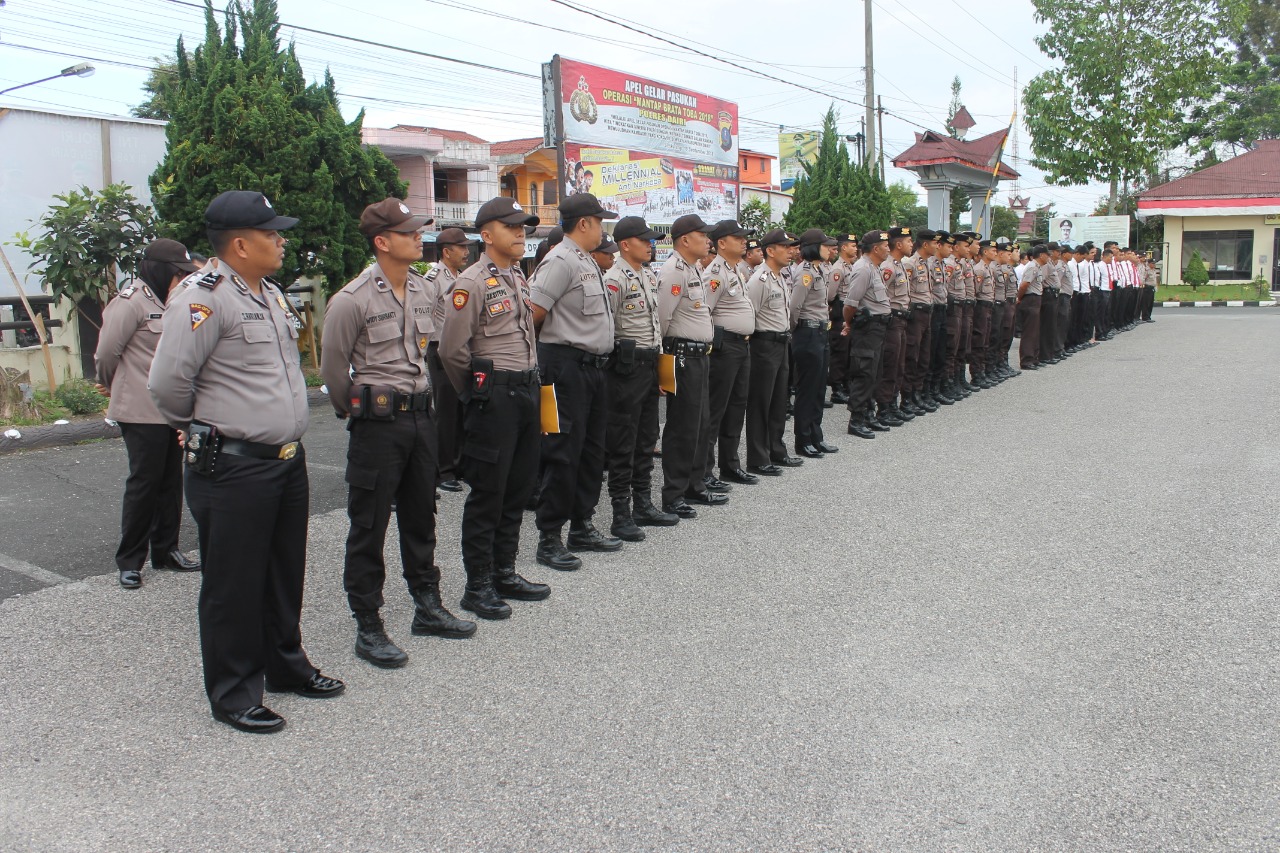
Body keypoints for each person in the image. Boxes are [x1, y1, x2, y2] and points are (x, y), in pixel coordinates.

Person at [149, 190, 343, 734]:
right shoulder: (203, 297)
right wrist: (207, 427)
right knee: (234, 583)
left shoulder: (270, 294)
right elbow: (167, 385)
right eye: (270, 233)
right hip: (232, 464)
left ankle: (285, 665)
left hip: (284, 460)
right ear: (240, 244)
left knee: (284, 571)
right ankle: (235, 691)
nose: (281, 240)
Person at [321, 198, 474, 670]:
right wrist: (365, 411)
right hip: (379, 424)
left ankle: (427, 605)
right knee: (369, 524)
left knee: (420, 514)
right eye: (408, 233)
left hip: (420, 418)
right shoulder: (352, 299)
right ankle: (369, 623)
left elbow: (437, 347)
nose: (417, 238)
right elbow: (333, 373)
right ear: (382, 242)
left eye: (418, 231)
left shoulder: (426, 291)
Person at [438, 196, 551, 617]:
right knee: (488, 492)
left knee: (519, 488)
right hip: (496, 396)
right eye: (511, 227)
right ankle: (478, 584)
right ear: (487, 235)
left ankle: (505, 570)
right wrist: (475, 396)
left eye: (523, 227)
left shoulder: (518, 276)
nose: (521, 233)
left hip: (525, 391)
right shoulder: (470, 282)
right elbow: (452, 352)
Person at [96, 238, 202, 590]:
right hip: (140, 410)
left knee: (171, 482)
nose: (180, 279)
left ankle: (166, 550)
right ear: (158, 270)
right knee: (144, 484)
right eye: (175, 273)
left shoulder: (174, 300)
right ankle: (130, 561)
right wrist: (111, 386)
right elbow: (106, 355)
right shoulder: (131, 302)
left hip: (172, 408)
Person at [528, 192, 621, 570]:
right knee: (563, 452)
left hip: (592, 369)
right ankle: (550, 537)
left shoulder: (586, 261)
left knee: (591, 452)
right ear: (584, 223)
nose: (602, 228)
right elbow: (532, 313)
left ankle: (582, 525)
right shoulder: (561, 260)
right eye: (599, 222)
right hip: (565, 367)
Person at [602, 216, 677, 541]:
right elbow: (607, 330)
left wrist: (660, 369)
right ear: (625, 244)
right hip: (625, 368)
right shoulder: (614, 279)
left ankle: (643, 504)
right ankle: (621, 512)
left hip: (648, 365)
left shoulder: (647, 275)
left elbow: (656, 329)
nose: (651, 245)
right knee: (624, 441)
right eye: (644, 240)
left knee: (647, 437)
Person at [657, 213, 725, 518]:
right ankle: (674, 493)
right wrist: (662, 361)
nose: (708, 240)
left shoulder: (693, 269)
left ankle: (694, 484)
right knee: (682, 427)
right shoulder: (674, 271)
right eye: (702, 235)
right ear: (685, 239)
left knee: (700, 423)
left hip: (700, 355)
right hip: (681, 355)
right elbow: (662, 320)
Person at [702, 219, 756, 488]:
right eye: (738, 237)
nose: (744, 241)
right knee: (716, 410)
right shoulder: (715, 273)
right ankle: (705, 471)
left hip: (742, 347)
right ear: (722, 243)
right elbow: (705, 313)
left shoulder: (735, 270)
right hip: (725, 349)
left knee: (737, 407)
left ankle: (730, 465)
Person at [745, 229, 802, 473]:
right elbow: (751, 315)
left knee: (779, 400)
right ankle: (758, 458)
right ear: (770, 250)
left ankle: (776, 450)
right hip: (764, 344)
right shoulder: (759, 280)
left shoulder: (779, 277)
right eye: (785, 247)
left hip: (781, 343)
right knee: (761, 402)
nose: (791, 251)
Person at [425, 227, 468, 492]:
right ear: (446, 251)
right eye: (460, 247)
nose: (465, 252)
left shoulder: (460, 276)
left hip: (460, 348)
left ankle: (459, 463)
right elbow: (424, 314)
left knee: (462, 408)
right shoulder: (434, 278)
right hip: (439, 347)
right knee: (446, 410)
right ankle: (443, 470)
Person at [790, 228, 839, 458]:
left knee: (819, 388)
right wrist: (796, 332)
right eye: (825, 245)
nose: (830, 249)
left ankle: (816, 436)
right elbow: (794, 308)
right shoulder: (805, 273)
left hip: (820, 333)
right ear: (812, 247)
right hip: (807, 334)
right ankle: (803, 439)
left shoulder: (820, 270)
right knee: (807, 390)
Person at [841, 230, 892, 438]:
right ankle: (857, 419)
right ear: (875, 248)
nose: (888, 248)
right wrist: (849, 323)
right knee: (864, 372)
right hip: (867, 328)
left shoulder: (874, 267)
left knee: (874, 372)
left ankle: (869, 414)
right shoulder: (863, 269)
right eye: (885, 244)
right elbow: (850, 303)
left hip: (878, 328)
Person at [872, 226, 914, 427]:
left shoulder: (899, 265)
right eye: (908, 241)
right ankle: (884, 407)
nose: (911, 245)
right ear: (898, 244)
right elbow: (880, 296)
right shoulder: (888, 267)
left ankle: (893, 403)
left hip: (902, 320)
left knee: (899, 364)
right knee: (889, 365)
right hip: (892, 321)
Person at [828, 234, 859, 406]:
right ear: (843, 248)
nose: (855, 248)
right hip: (840, 310)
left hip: (849, 309)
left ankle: (846, 382)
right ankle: (837, 387)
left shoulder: (851, 267)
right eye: (852, 245)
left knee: (848, 349)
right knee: (840, 350)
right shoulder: (838, 269)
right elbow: (831, 295)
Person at [1017, 244, 1049, 370]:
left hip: (1036, 299)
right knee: (1029, 331)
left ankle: (1034, 358)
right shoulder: (1032, 266)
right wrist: (1019, 298)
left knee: (1035, 330)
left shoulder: (1038, 266)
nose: (1048, 258)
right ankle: (1027, 360)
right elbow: (1024, 285)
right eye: (1047, 255)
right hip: (1030, 299)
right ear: (1041, 255)